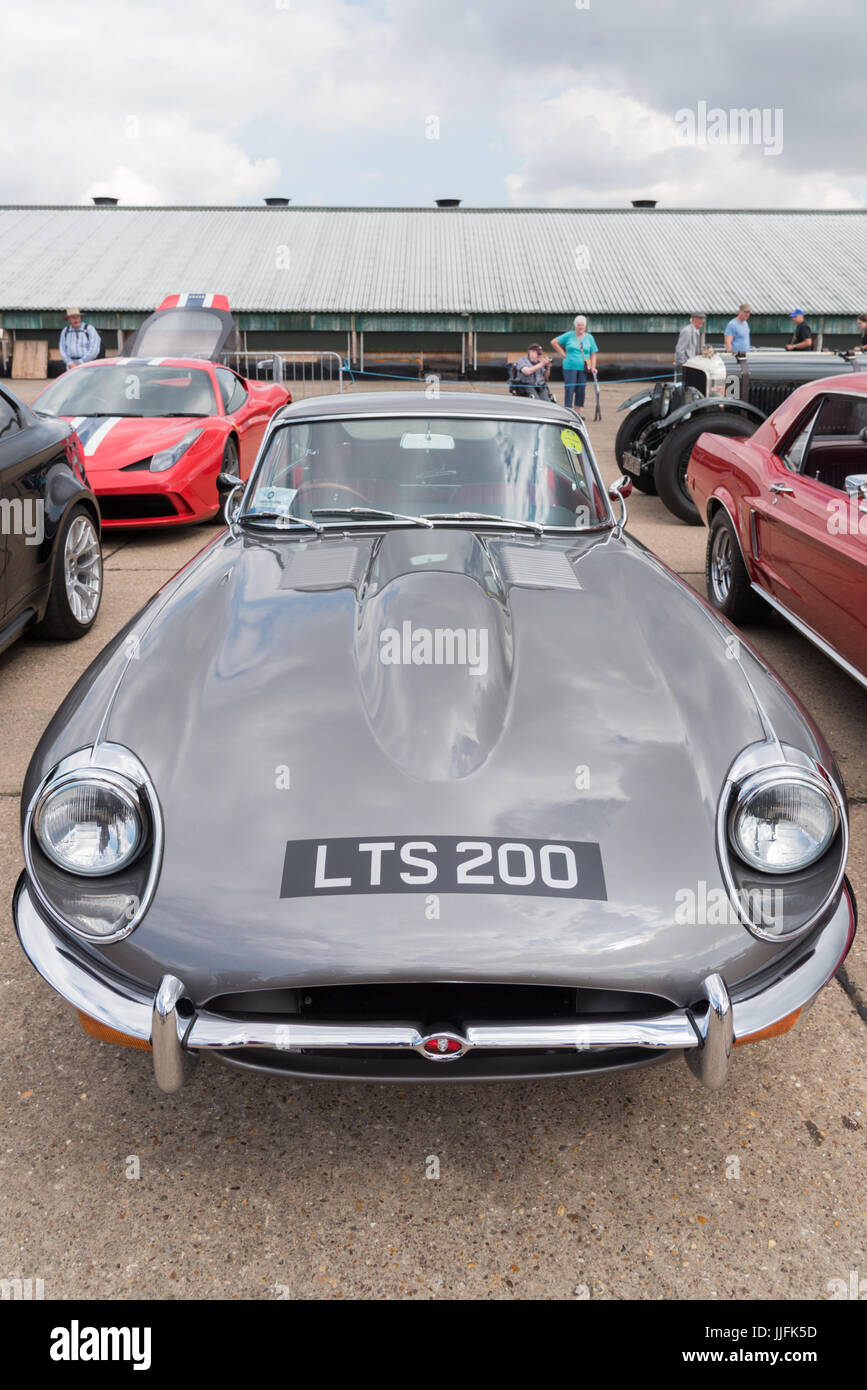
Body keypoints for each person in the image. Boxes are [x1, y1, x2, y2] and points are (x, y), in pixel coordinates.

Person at [550, 315, 598, 413]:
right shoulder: (569, 335)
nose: (580, 327)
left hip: (583, 368)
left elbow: (593, 353)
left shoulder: (589, 338)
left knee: (581, 390)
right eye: (578, 325)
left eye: (582, 325)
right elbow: (554, 342)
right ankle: (568, 411)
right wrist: (563, 354)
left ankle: (577, 412)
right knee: (570, 389)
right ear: (575, 326)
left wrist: (593, 367)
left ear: (585, 326)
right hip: (569, 367)